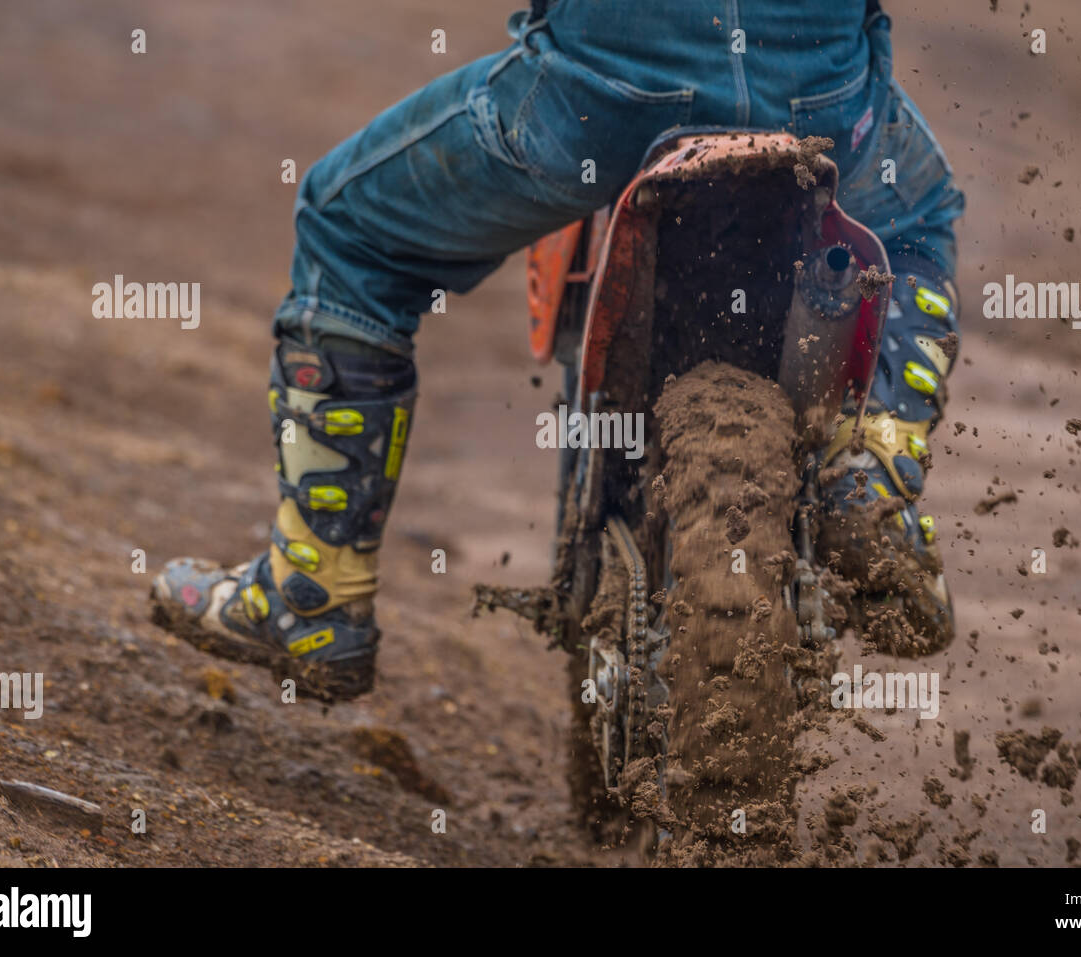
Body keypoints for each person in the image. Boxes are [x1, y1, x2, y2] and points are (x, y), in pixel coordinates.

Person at [150, 0, 966, 700]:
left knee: (345, 228)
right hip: (821, 102)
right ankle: (873, 462)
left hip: (599, 97)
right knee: (917, 218)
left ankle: (312, 592)